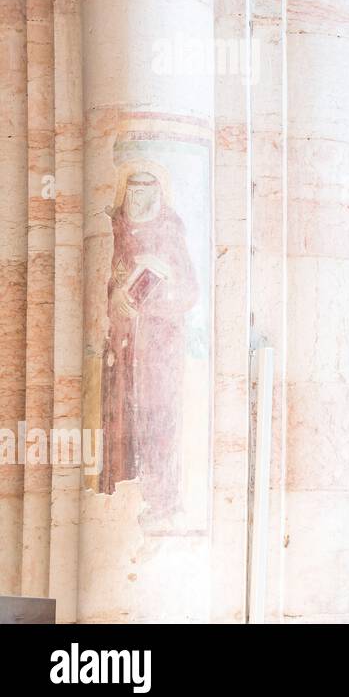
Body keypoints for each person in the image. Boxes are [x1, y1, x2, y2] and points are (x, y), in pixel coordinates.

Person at [101, 171, 199, 520]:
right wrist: (116, 297)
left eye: (147, 193)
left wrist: (155, 299)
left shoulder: (171, 231)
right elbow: (106, 280)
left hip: (160, 349)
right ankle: (122, 493)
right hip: (125, 345)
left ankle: (162, 500)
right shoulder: (115, 229)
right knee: (122, 415)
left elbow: (189, 290)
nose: (139, 202)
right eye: (134, 193)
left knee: (159, 418)